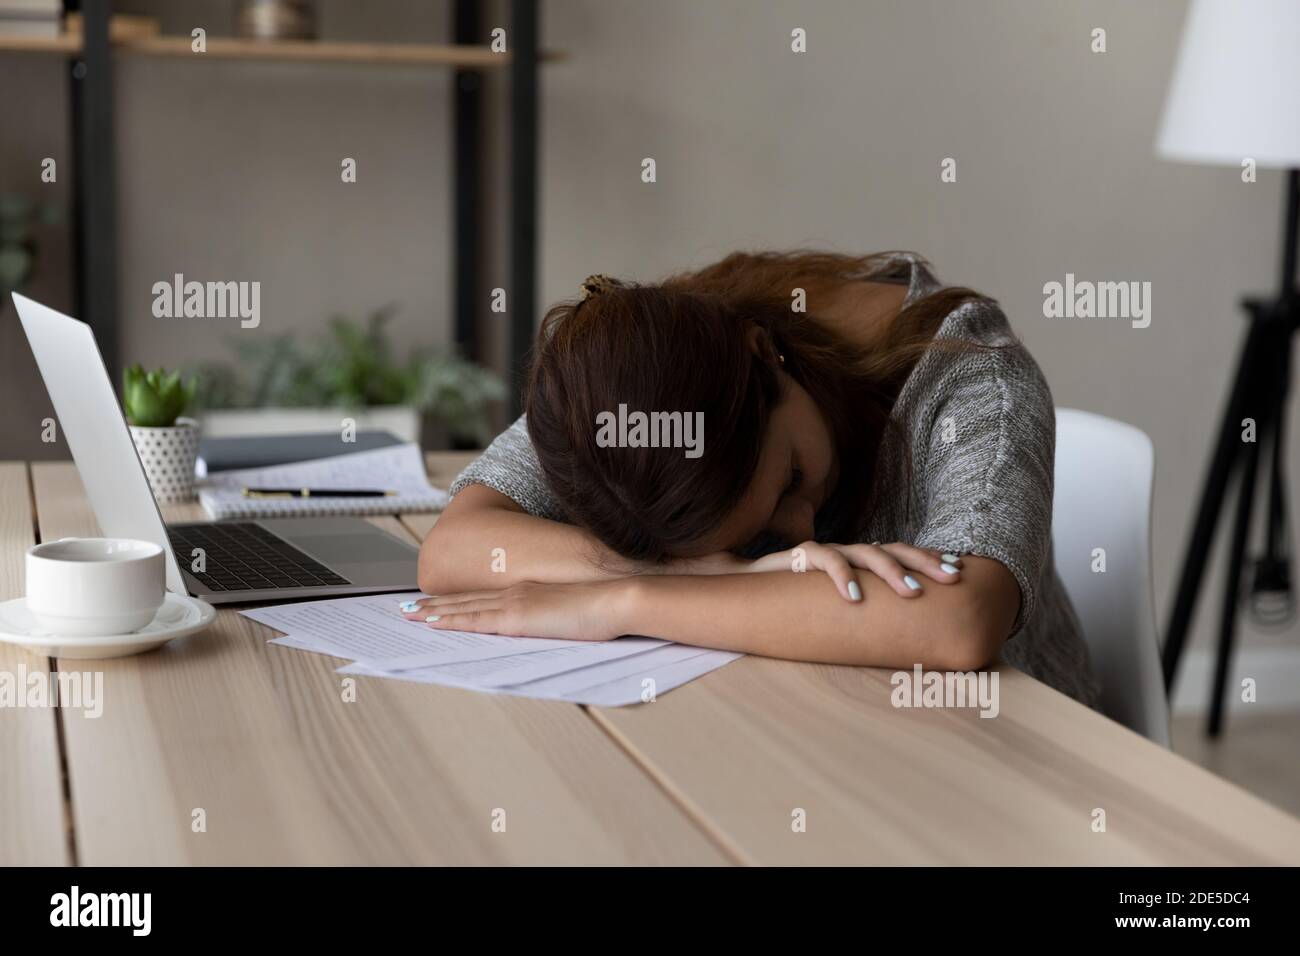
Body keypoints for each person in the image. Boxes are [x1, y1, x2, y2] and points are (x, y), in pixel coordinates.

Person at [404, 251, 1098, 706]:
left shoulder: (970, 372)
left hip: (1004, 761)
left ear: (767, 357)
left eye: (791, 477)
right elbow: (456, 550)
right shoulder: (635, 380)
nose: (798, 534)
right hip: (802, 724)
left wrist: (625, 602)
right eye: (760, 537)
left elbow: (957, 621)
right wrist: (713, 575)